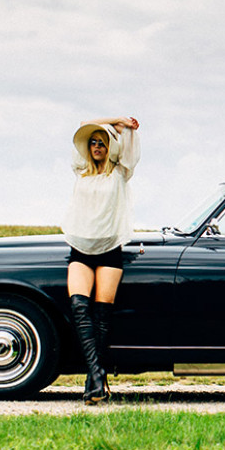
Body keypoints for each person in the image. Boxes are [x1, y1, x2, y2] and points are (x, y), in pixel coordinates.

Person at [61, 116, 140, 404]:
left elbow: (131, 141)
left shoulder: (120, 173)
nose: (96, 146)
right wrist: (113, 120)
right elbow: (81, 124)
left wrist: (123, 126)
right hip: (80, 249)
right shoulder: (80, 170)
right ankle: (97, 376)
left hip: (109, 249)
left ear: (110, 148)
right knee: (80, 310)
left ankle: (94, 381)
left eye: (102, 143)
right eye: (93, 142)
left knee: (102, 316)